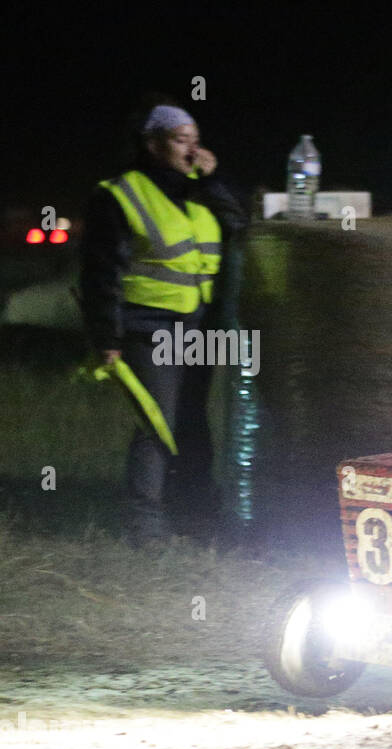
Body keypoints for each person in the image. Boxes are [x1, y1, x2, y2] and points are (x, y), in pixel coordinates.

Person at [79, 98, 248, 546]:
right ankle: (145, 526)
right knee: (158, 423)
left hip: (199, 325)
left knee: (194, 420)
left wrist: (214, 178)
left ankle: (195, 514)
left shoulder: (199, 190)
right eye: (179, 140)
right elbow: (100, 272)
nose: (191, 149)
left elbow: (237, 222)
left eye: (195, 140)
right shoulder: (119, 193)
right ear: (152, 145)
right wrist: (107, 337)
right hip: (147, 326)